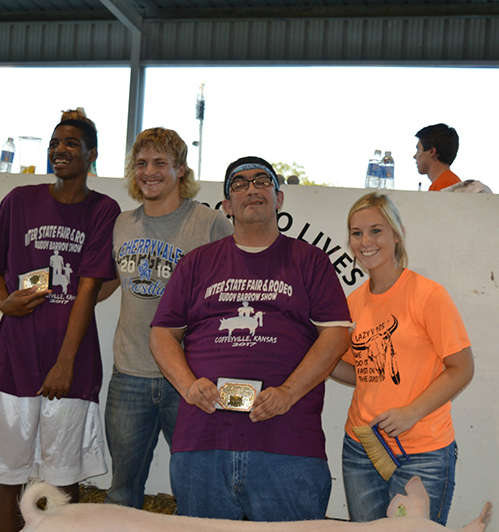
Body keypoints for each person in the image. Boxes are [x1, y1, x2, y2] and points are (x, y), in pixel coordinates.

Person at [149, 156, 351, 522]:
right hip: (203, 441)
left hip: (287, 443)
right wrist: (188, 384)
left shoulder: (311, 261)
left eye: (262, 181)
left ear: (279, 198)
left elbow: (335, 336)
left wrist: (289, 392)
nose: (252, 189)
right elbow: (162, 332)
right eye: (239, 185)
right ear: (227, 205)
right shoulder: (196, 263)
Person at [0, 117, 120, 532]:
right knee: (6, 474)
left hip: (71, 361)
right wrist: (4, 302)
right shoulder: (18, 200)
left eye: (72, 143)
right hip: (14, 357)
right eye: (54, 143)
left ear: (92, 154)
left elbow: (90, 289)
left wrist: (65, 362)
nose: (60, 150)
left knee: (63, 477)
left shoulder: (104, 210)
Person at [99, 127, 233, 509]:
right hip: (129, 375)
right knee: (122, 490)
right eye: (141, 163)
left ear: (180, 170)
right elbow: (108, 283)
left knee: (197, 490)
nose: (149, 171)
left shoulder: (208, 223)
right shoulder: (122, 224)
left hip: (188, 380)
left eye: (160, 162)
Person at [331, 192, 474, 525]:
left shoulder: (428, 295)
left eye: (376, 230)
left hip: (423, 451)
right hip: (362, 446)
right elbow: (362, 373)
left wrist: (412, 412)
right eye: (357, 233)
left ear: (397, 234)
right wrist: (317, 357)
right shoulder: (353, 303)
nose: (365, 241)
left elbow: (462, 368)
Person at [414, 124, 461, 191]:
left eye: (418, 150)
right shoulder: (451, 182)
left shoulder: (444, 186)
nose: (415, 156)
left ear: (432, 151)